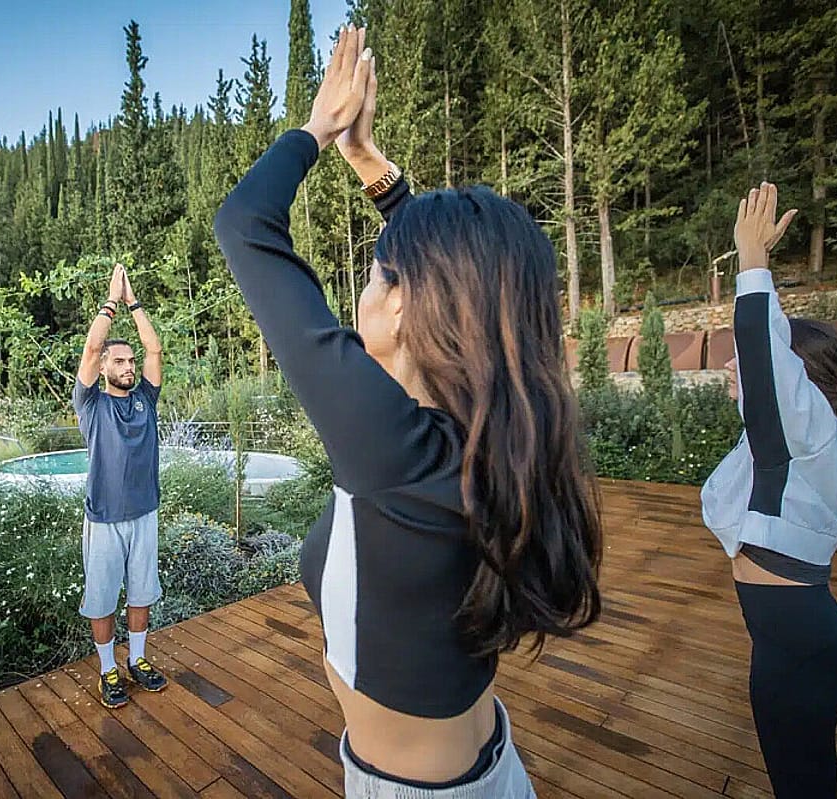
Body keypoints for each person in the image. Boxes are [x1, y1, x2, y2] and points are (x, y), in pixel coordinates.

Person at [214, 25, 602, 798]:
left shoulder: (394, 452)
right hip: (490, 763)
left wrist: (317, 130)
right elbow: (464, 275)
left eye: (373, 272)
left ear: (403, 308)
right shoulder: (490, 437)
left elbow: (244, 226)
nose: (364, 286)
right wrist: (371, 165)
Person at [701, 182, 837, 798]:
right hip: (793, 641)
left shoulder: (810, 438)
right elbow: (765, 387)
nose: (730, 368)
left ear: (799, 379)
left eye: (743, 362)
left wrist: (751, 263)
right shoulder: (803, 446)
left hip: (797, 649)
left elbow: (765, 361)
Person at [72, 264, 169, 709]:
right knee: (103, 597)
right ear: (105, 368)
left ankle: (139, 660)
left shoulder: (144, 399)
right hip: (105, 519)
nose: (129, 366)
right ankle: (109, 669)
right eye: (120, 361)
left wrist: (135, 302)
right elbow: (92, 347)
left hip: (145, 512)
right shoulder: (90, 404)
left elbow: (155, 348)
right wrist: (111, 301)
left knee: (142, 592)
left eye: (131, 361)